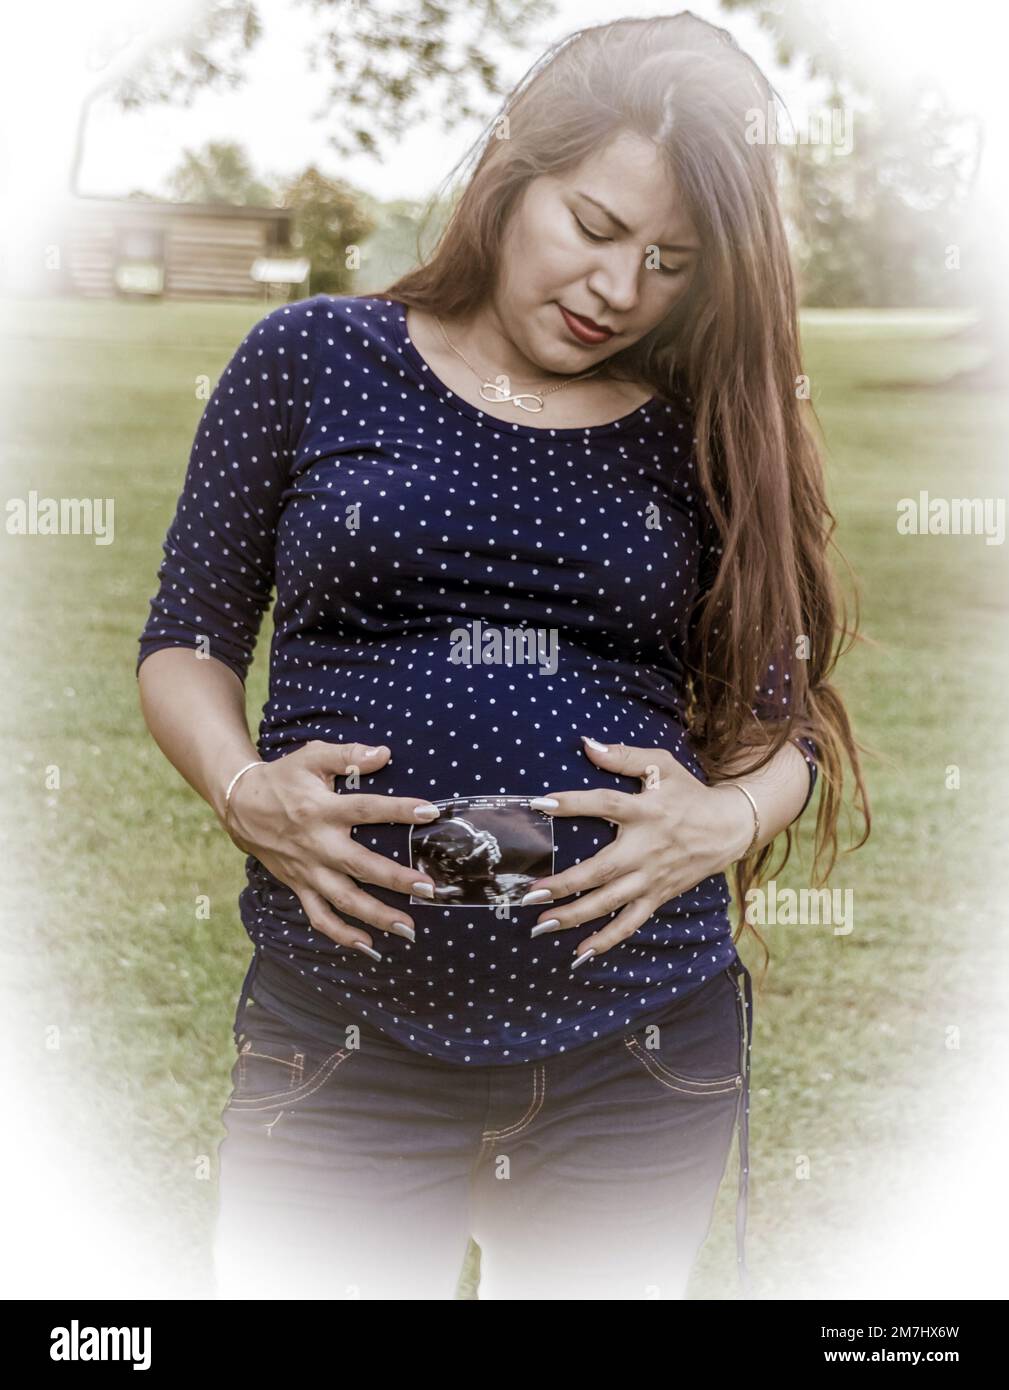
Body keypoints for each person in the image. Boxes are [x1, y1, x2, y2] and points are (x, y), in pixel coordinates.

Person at [135, 12, 870, 1300]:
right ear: (512, 172)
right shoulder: (310, 362)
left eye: (669, 261)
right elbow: (186, 646)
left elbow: (783, 722)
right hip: (345, 1037)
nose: (616, 291)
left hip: (632, 1050)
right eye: (593, 229)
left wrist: (727, 819)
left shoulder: (713, 431)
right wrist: (245, 791)